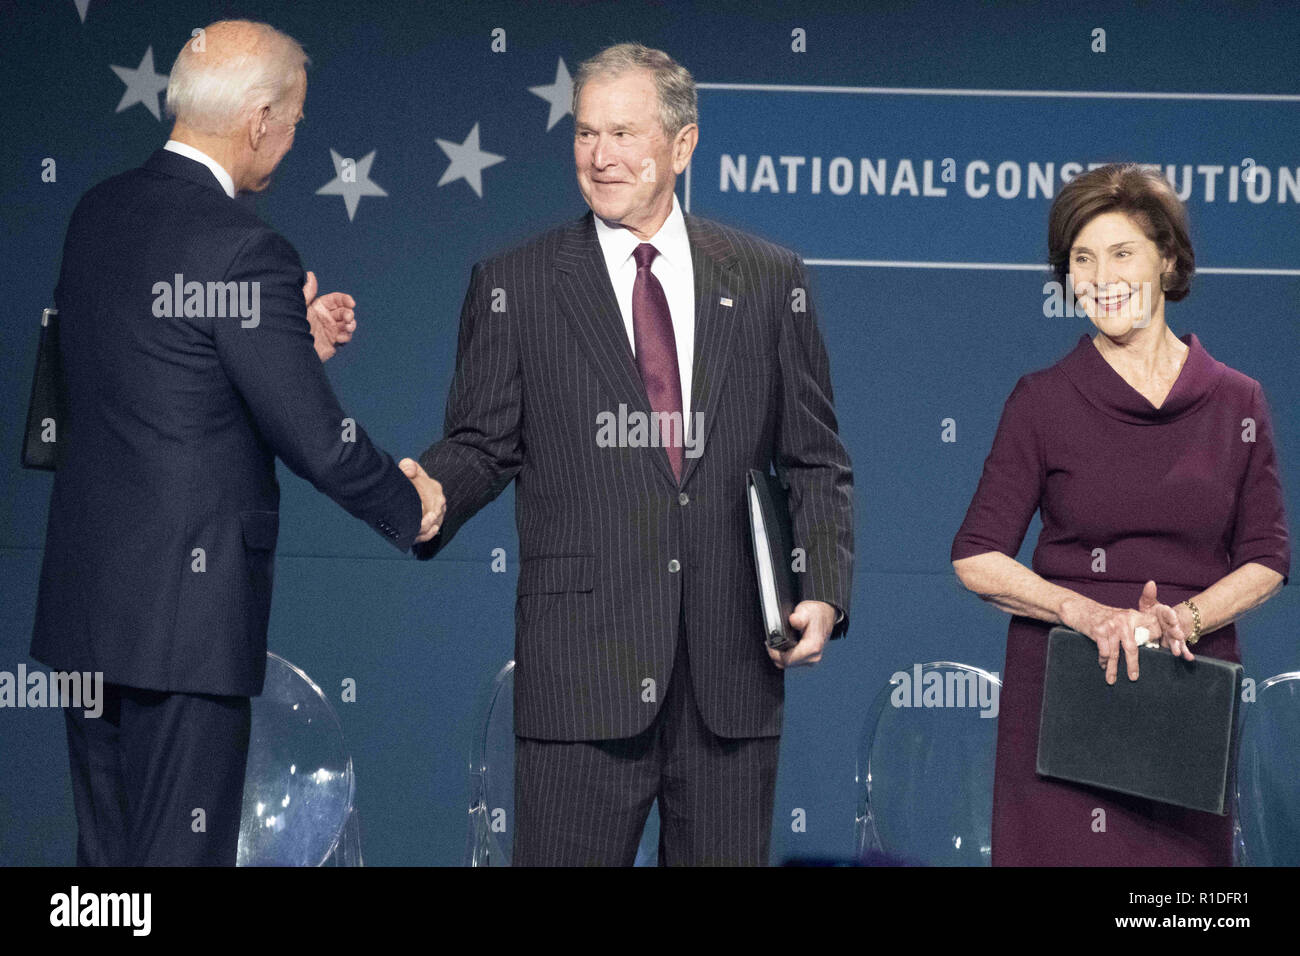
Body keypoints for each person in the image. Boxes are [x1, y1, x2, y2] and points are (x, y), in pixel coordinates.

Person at [404, 42, 854, 865]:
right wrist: (432, 488)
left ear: (683, 145)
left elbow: (815, 457)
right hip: (582, 674)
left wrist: (820, 589)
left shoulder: (767, 278)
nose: (600, 156)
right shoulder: (516, 283)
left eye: (622, 133)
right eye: (584, 134)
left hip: (732, 675)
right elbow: (480, 441)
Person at [30, 20, 444, 866]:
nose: (290, 144)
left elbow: (151, 375)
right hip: (186, 625)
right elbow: (317, 440)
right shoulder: (244, 247)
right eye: (293, 123)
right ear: (259, 119)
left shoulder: (97, 211)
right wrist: (411, 505)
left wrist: (288, 344)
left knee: (107, 874)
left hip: (86, 611)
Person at [951, 162, 1290, 865]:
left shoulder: (1238, 403)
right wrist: (1085, 614)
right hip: (1064, 702)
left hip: (1185, 699)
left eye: (1121, 252)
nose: (1100, 276)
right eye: (1081, 259)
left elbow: (1267, 558)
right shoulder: (1042, 399)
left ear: (1167, 261)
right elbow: (977, 555)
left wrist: (1185, 618)